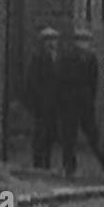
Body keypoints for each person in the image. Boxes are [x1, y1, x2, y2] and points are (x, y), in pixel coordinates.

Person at [59, 28, 104, 179]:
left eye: (85, 41)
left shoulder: (90, 58)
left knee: (93, 135)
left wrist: (91, 99)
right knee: (69, 136)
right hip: (70, 102)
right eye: (81, 41)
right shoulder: (68, 58)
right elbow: (63, 79)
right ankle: (69, 167)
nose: (83, 44)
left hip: (85, 102)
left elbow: (93, 81)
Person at [25, 27, 61, 169]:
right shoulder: (37, 57)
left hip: (53, 103)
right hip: (41, 103)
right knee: (40, 132)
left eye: (54, 40)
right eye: (48, 40)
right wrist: (35, 100)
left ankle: (47, 161)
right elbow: (32, 80)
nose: (52, 43)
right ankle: (38, 162)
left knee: (51, 133)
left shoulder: (58, 57)